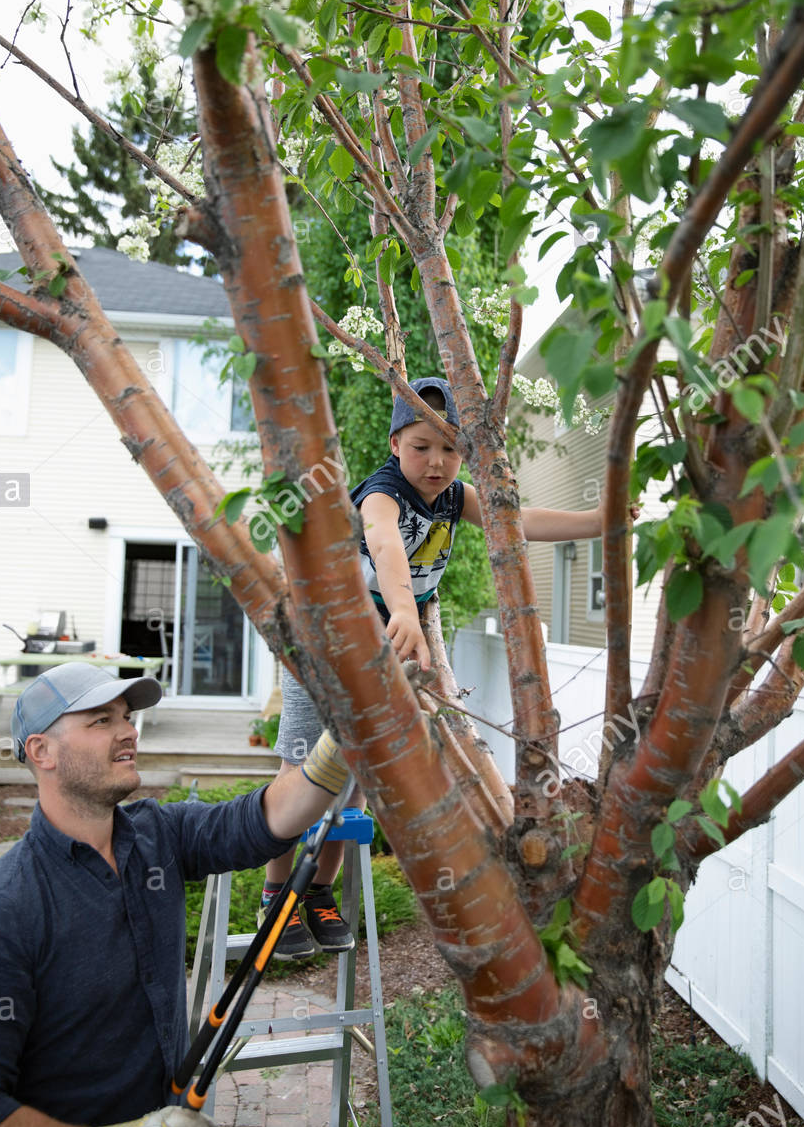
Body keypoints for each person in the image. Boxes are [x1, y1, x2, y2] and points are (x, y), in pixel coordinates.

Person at [259, 376, 606, 957]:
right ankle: (276, 896)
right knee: (301, 763)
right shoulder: (381, 492)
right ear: (396, 444)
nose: (437, 462)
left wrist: (599, 522)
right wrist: (405, 609)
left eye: (451, 448)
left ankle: (318, 893)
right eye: (422, 446)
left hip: (380, 646)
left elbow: (517, 520)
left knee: (356, 773)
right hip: (321, 639)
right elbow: (385, 543)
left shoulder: (453, 496)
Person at [0, 661, 349, 1127]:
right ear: (42, 751)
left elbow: (272, 815)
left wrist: (352, 725)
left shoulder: (158, 835)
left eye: (126, 717)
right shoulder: (9, 905)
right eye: (102, 720)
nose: (127, 732)